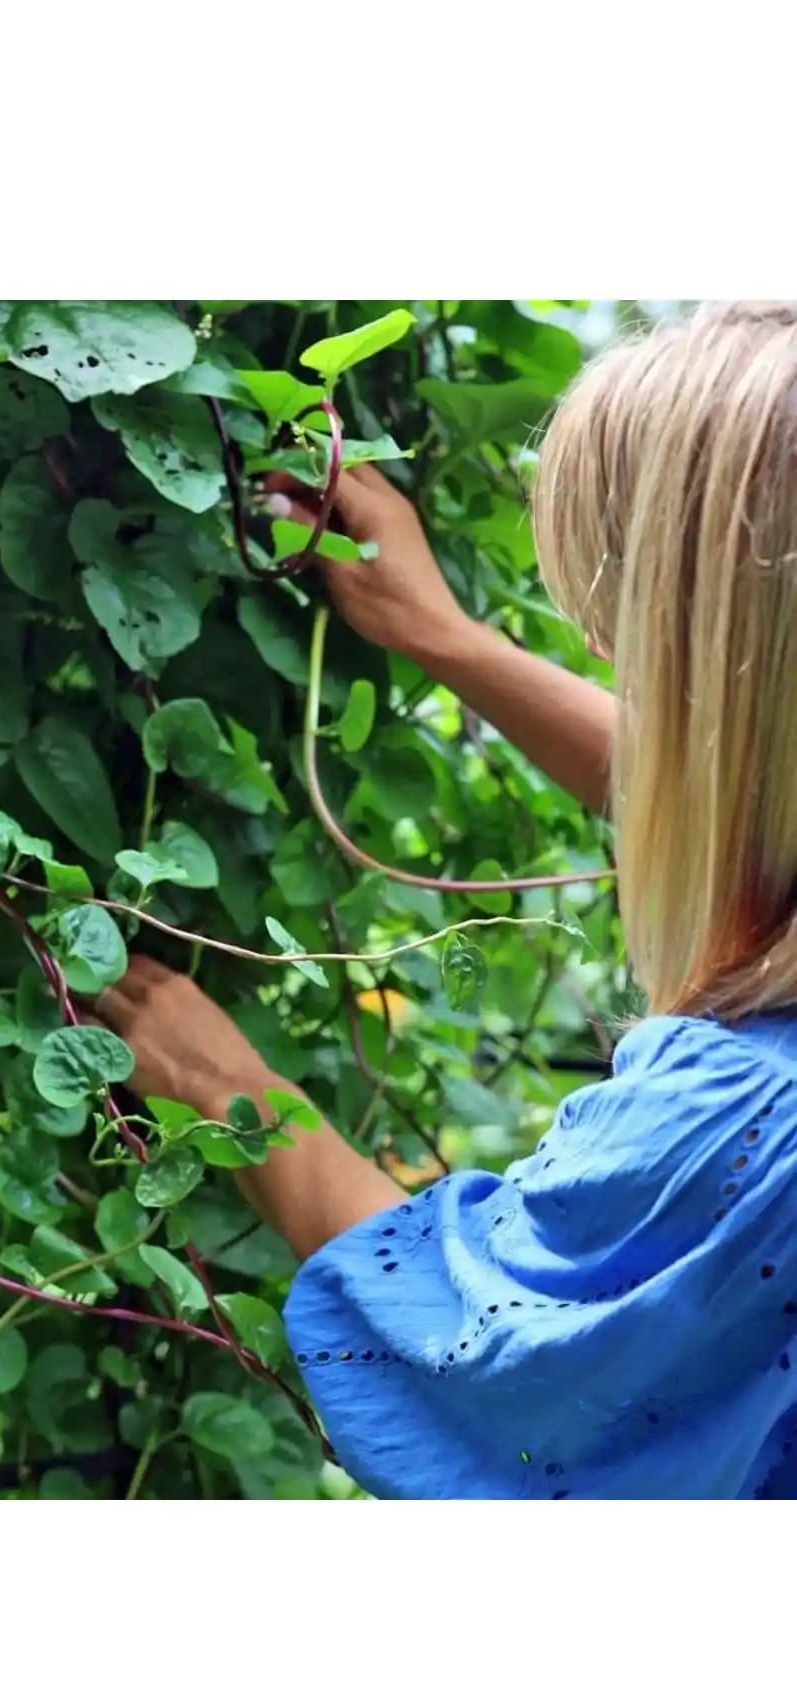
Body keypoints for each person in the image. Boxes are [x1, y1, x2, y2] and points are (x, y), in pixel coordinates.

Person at [93, 302, 797, 1501]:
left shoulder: (745, 1130)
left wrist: (222, 1085)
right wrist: (446, 641)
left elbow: (480, 1343)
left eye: (644, 656)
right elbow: (748, 786)